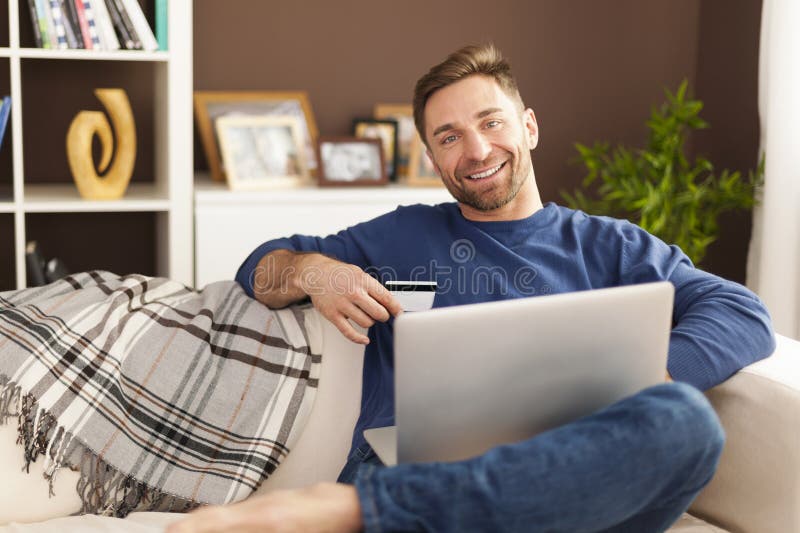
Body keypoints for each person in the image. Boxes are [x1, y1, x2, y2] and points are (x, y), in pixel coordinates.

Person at [169, 44, 774, 533]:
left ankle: (358, 514)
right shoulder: (403, 235)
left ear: (529, 127)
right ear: (432, 156)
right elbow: (260, 267)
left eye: (491, 123)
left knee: (687, 422)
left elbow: (741, 309)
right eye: (450, 136)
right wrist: (312, 271)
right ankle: (364, 511)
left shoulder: (612, 245)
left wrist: (657, 378)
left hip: (570, 486)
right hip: (418, 477)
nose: (477, 150)